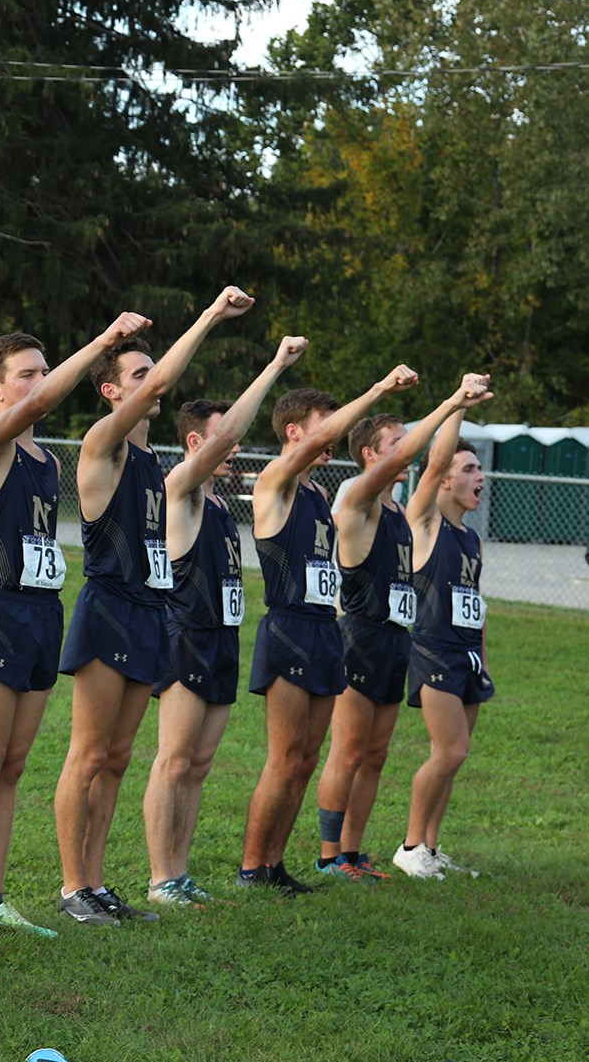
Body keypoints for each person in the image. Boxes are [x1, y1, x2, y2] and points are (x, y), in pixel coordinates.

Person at [0, 317, 146, 944]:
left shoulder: (42, 457)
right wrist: (104, 341)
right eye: (26, 374)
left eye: (41, 369)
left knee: (12, 767)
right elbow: (54, 396)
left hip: (41, 614)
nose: (39, 383)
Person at [51, 287, 249, 927]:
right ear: (111, 391)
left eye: (148, 373)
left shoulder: (154, 458)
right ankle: (73, 886)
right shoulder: (101, 445)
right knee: (87, 754)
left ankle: (100, 882)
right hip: (108, 607)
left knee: (118, 759)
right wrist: (212, 315)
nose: (152, 382)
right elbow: (163, 373)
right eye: (137, 375)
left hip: (148, 614)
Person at [238, 365, 419, 895]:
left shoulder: (321, 495)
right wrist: (379, 388)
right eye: (325, 424)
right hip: (289, 628)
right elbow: (321, 438)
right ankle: (251, 868)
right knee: (284, 757)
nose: (334, 436)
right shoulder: (276, 482)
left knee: (306, 760)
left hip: (324, 630)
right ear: (296, 432)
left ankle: (275, 866)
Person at [141, 333, 307, 908]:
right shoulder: (180, 490)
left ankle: (181, 872)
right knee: (175, 760)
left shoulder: (217, 503)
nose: (234, 448)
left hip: (223, 639)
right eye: (222, 438)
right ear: (195, 442)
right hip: (187, 637)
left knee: (201, 764)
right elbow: (232, 434)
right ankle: (162, 878)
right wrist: (275, 366)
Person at [314, 375, 492, 881]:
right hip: (359, 636)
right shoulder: (361, 501)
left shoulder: (397, 511)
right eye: (397, 443)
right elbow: (435, 462)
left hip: (397, 638)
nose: (406, 451)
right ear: (372, 454)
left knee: (374, 755)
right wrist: (454, 401)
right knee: (347, 752)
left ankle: (353, 854)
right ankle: (329, 857)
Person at [394, 380, 495, 880]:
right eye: (470, 469)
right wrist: (458, 402)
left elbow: (475, 602)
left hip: (466, 657)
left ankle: (431, 849)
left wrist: (482, 653)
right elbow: (433, 462)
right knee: (448, 750)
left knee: (456, 758)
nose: (480, 476)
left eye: (479, 468)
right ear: (445, 482)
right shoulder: (426, 524)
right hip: (432, 651)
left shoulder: (471, 538)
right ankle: (410, 845)